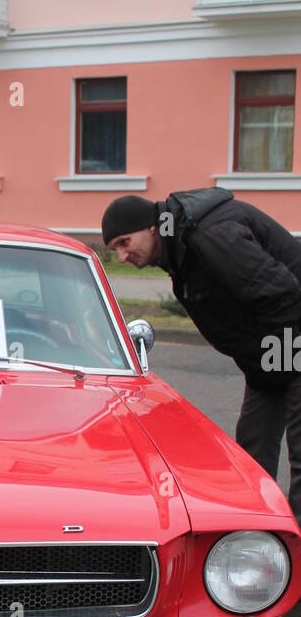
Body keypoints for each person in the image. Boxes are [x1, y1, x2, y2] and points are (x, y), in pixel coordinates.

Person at [102, 190, 301, 526]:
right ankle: (254, 542)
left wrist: (280, 360)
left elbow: (282, 294)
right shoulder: (181, 248)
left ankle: (293, 559)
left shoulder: (212, 236)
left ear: (152, 228)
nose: (122, 256)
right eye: (115, 249)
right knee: (251, 455)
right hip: (269, 359)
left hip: (290, 346)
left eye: (124, 242)